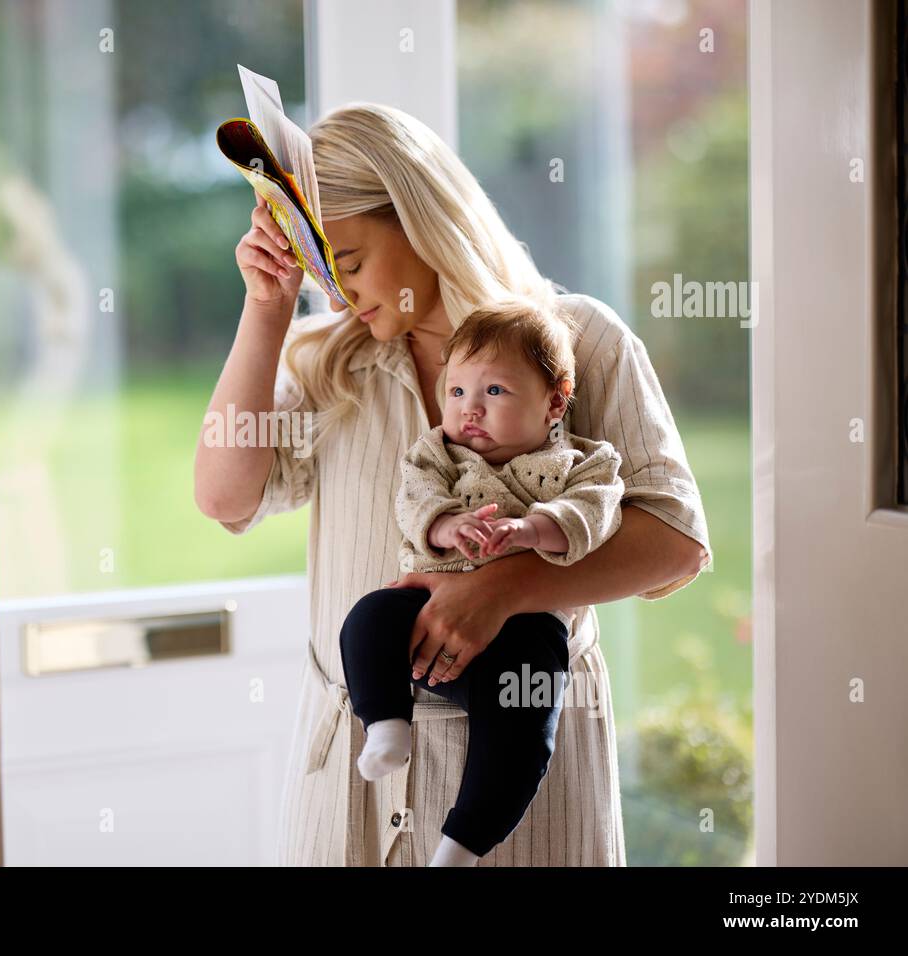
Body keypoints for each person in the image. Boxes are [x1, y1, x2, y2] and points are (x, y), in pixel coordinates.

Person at [193, 102, 712, 866]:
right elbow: (224, 495)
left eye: (353, 262)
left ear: (418, 216)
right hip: (352, 786)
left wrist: (503, 589)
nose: (335, 294)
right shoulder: (330, 361)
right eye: (320, 271)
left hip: (524, 782)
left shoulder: (581, 342)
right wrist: (267, 308)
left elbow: (675, 543)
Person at [338, 298, 624, 866]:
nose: (470, 410)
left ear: (555, 402)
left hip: (524, 630)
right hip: (428, 601)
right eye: (457, 391)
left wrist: (532, 529)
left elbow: (596, 513)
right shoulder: (439, 452)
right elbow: (414, 497)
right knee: (368, 616)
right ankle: (386, 724)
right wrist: (446, 525)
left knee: (525, 725)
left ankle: (463, 843)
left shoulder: (583, 462)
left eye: (494, 392)